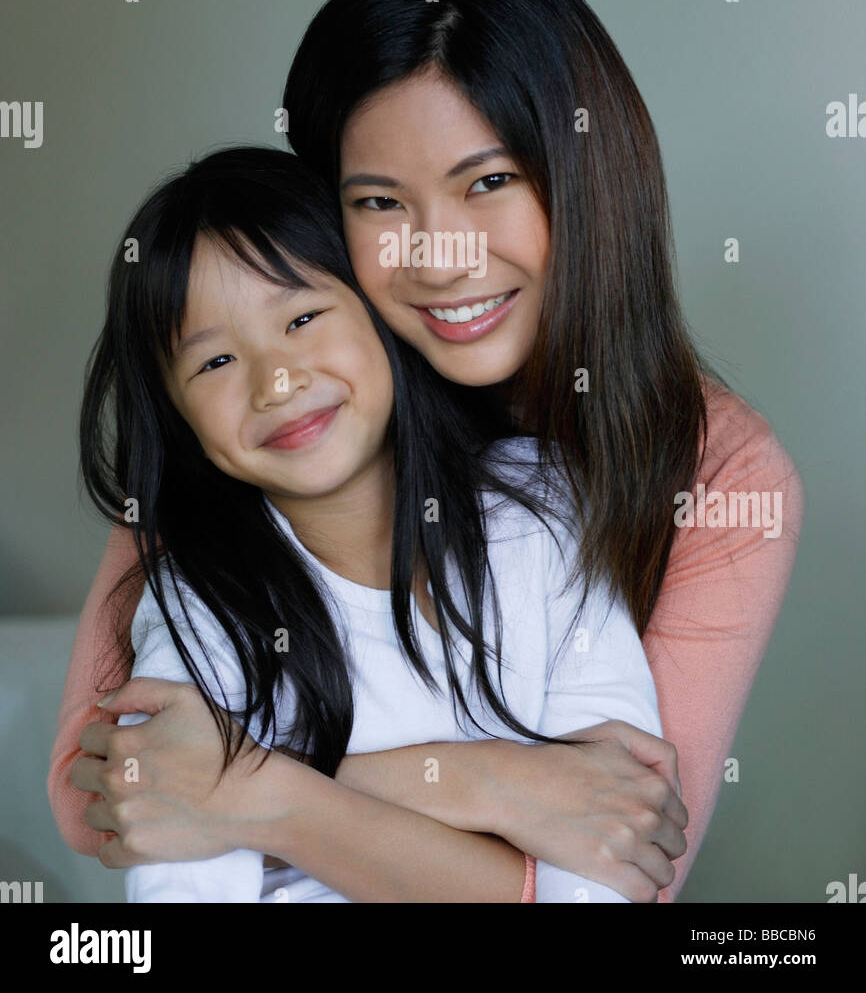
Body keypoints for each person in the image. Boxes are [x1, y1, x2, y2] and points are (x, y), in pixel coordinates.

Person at [48, 0, 802, 902]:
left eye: (489, 182)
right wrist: (498, 779)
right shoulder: (287, 420)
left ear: (585, 175)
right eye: (378, 201)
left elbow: (629, 854)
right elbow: (104, 798)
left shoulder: (722, 478)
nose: (442, 258)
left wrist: (250, 791)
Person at [75, 145, 667, 902]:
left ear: (385, 316)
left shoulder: (542, 509)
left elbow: (613, 826)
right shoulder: (201, 597)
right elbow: (177, 851)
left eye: (303, 317)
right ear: (178, 418)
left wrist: (254, 791)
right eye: (215, 363)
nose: (276, 380)